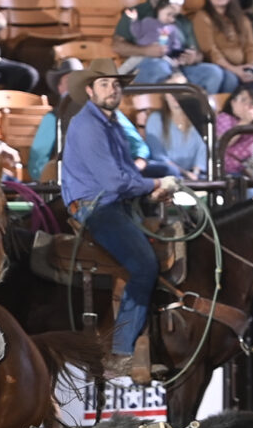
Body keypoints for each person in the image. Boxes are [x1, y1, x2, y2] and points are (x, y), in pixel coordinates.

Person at [61, 59, 184, 383]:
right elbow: (114, 182)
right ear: (90, 90)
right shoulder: (88, 125)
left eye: (116, 84)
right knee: (144, 264)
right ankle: (120, 352)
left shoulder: (110, 122)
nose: (112, 89)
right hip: (94, 207)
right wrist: (154, 186)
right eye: (104, 84)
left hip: (114, 201)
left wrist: (147, 192)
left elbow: (126, 174)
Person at [141, 89, 209, 181]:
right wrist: (185, 173)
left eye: (179, 90)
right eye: (171, 91)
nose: (175, 95)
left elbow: (202, 149)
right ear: (165, 95)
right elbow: (158, 156)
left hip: (195, 176)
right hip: (165, 175)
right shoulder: (155, 119)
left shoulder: (198, 119)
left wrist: (196, 172)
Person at [217, 82, 253, 178]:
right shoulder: (224, 118)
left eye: (251, 103)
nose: (247, 106)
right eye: (243, 101)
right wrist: (245, 121)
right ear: (233, 103)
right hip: (231, 172)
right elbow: (225, 141)